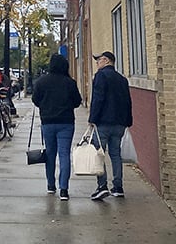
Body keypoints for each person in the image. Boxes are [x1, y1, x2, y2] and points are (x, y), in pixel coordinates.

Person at [32, 53, 82, 201]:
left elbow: (35, 100)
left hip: (47, 122)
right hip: (66, 122)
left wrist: (45, 106)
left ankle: (50, 185)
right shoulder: (69, 82)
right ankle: (64, 189)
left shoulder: (41, 82)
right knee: (64, 154)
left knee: (50, 154)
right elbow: (77, 101)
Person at [88, 50, 132, 200]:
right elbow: (128, 101)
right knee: (115, 154)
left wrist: (92, 118)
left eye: (98, 60)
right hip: (119, 123)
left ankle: (102, 186)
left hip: (103, 122)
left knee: (99, 154)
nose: (97, 63)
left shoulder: (101, 76)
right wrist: (128, 121)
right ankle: (118, 187)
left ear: (106, 60)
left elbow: (98, 98)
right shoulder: (122, 79)